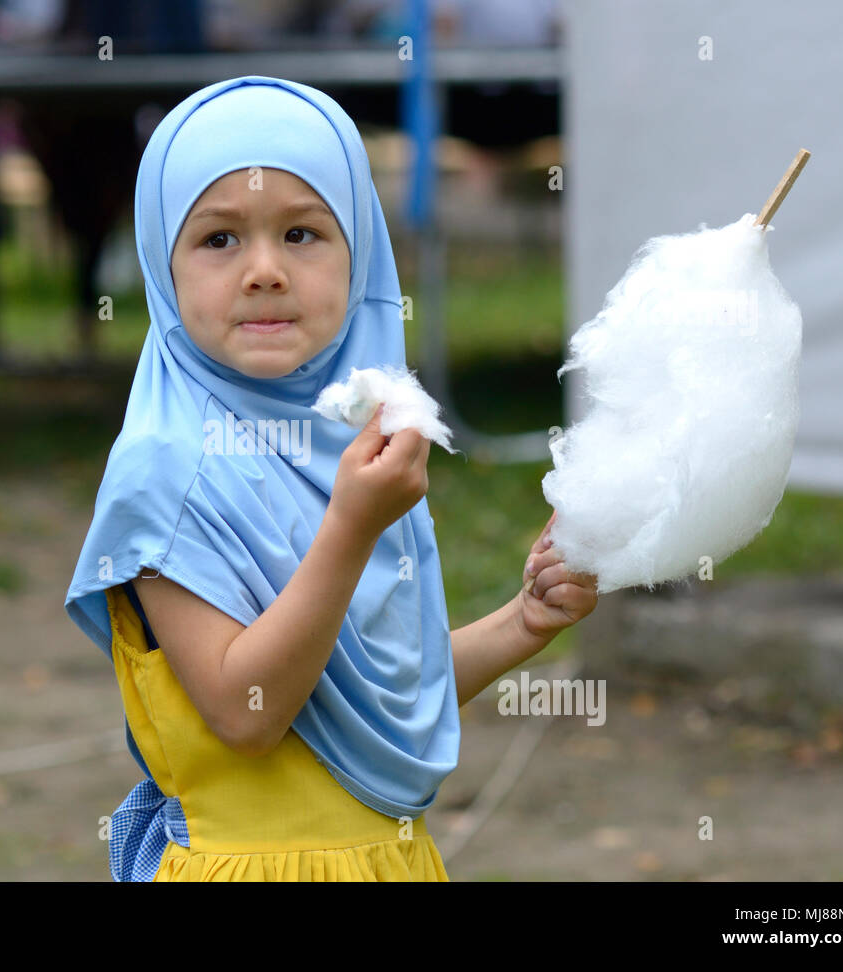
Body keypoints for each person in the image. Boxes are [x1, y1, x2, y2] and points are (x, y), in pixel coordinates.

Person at [64, 76, 597, 882]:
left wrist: (523, 624)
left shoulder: (352, 451)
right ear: (160, 265)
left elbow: (369, 695)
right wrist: (352, 529)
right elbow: (250, 711)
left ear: (363, 254)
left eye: (305, 234)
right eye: (218, 240)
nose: (265, 270)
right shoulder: (165, 470)